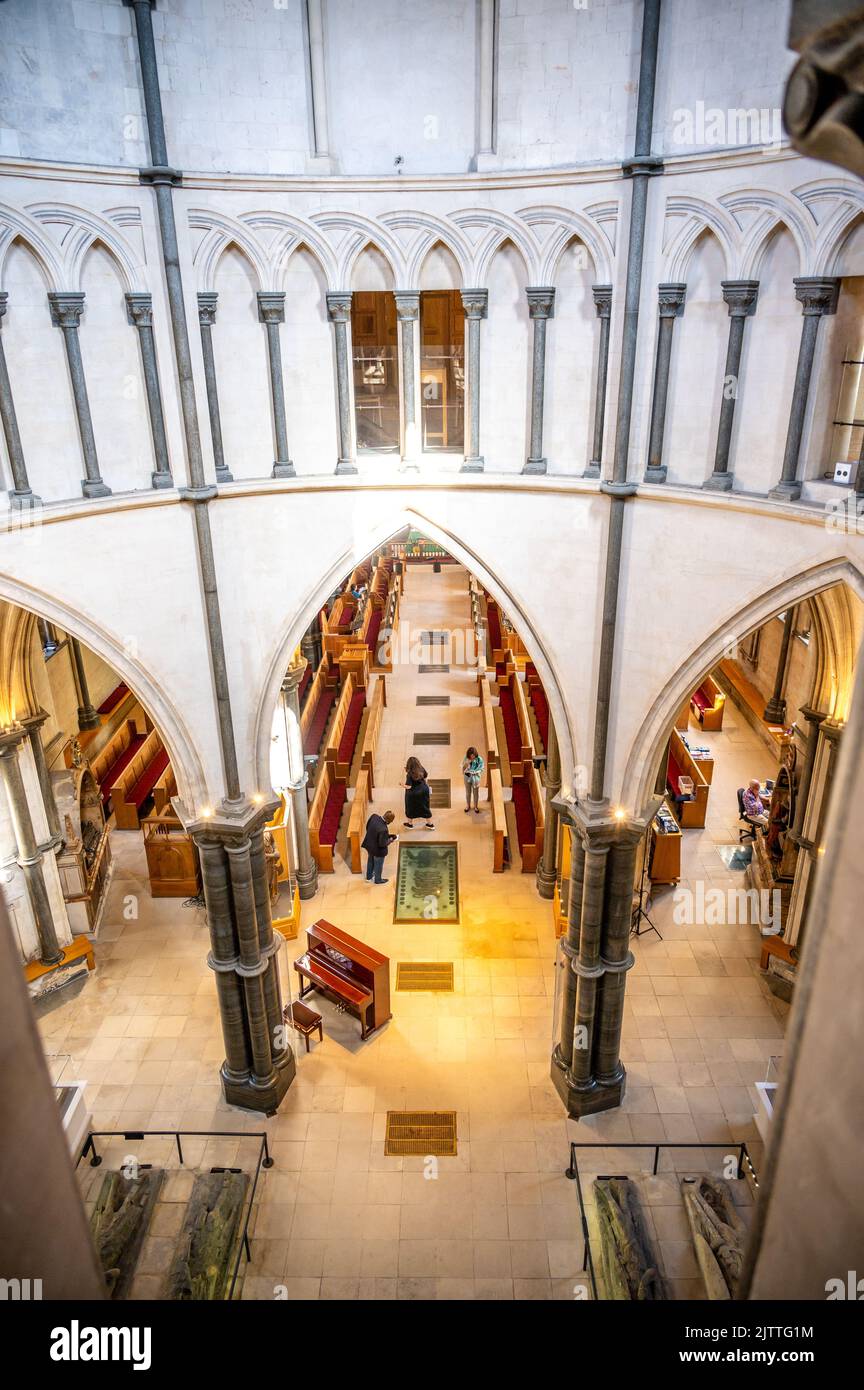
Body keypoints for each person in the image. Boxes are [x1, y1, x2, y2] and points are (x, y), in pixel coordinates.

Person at [361, 808, 396, 884]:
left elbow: (367, 827)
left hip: (369, 844)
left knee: (370, 860)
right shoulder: (383, 829)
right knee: (378, 865)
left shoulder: (374, 816)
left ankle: (369, 877)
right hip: (378, 850)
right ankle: (378, 880)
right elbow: (382, 844)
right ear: (389, 821)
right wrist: (390, 840)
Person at [404, 756, 434, 829]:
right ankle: (430, 824)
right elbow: (425, 777)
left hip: (413, 794)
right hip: (424, 791)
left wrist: (402, 784)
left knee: (410, 808)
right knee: (425, 807)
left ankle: (410, 824)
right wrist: (425, 786)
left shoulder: (410, 774)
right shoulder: (421, 768)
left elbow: (409, 786)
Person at [462, 745, 484, 813]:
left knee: (476, 793)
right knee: (468, 793)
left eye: (473, 756)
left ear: (475, 754)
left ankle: (476, 807)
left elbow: (481, 768)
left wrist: (475, 772)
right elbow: (463, 769)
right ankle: (468, 806)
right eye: (471, 756)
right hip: (467, 777)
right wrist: (466, 764)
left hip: (475, 778)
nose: (472, 757)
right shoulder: (466, 758)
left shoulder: (479, 759)